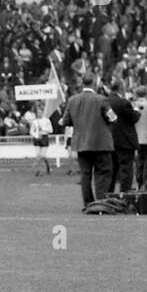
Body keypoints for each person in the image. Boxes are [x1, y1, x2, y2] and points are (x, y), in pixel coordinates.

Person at [57, 74, 115, 208]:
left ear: (82, 83)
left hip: (81, 143)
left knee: (85, 175)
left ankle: (88, 203)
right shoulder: (101, 99)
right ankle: (101, 202)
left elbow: (65, 121)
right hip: (101, 143)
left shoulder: (72, 100)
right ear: (94, 83)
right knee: (102, 173)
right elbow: (113, 118)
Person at [106, 78, 139, 195]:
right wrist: (136, 109)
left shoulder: (105, 101)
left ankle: (108, 195)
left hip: (110, 140)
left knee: (111, 170)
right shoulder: (124, 102)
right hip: (125, 141)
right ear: (121, 88)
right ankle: (125, 195)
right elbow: (134, 118)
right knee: (126, 169)